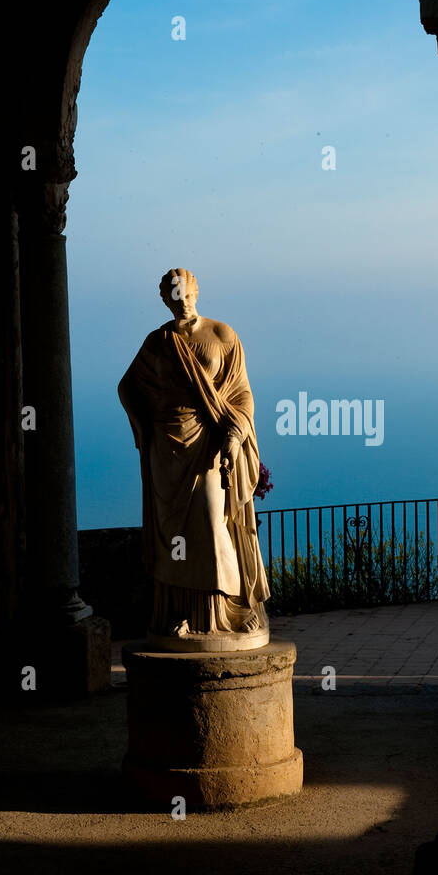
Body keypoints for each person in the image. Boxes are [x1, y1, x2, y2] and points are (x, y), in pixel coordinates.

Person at [118, 268, 269, 648]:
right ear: (165, 299)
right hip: (166, 448)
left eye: (185, 292)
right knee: (176, 535)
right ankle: (180, 614)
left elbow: (242, 394)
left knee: (212, 522)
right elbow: (128, 386)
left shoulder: (222, 335)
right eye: (172, 294)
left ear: (196, 292)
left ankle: (229, 611)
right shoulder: (157, 342)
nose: (180, 298)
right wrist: (144, 430)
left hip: (210, 446)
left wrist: (236, 435)